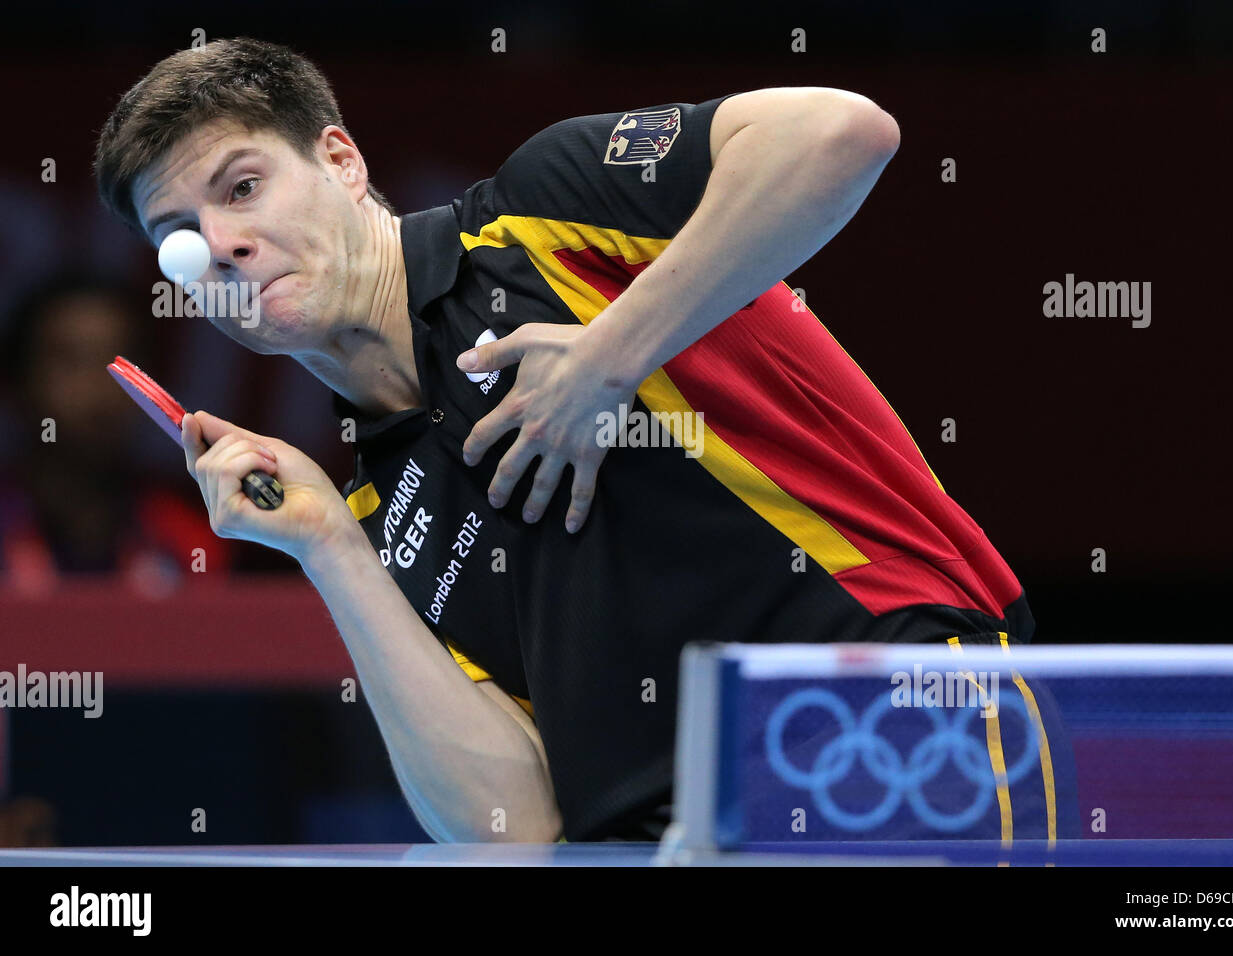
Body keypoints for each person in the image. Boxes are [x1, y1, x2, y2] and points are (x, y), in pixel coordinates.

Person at [94, 38, 1036, 842]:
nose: (219, 243)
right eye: (178, 237)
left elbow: (845, 133)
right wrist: (331, 549)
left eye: (244, 186)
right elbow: (512, 824)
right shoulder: (379, 512)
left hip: (892, 725)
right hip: (663, 849)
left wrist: (610, 356)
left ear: (341, 160)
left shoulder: (539, 217)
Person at [0, 274, 233, 593]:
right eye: (71, 362)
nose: (100, 390)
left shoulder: (188, 535)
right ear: (17, 382)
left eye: (123, 367)